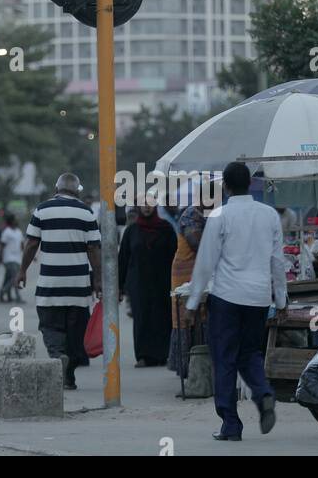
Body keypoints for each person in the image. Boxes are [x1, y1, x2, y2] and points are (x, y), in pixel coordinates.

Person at [183, 162, 287, 442]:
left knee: (225, 359)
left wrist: (192, 303)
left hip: (226, 297)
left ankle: (231, 423)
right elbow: (278, 261)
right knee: (250, 353)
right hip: (258, 297)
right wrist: (282, 298)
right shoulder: (269, 216)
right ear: (251, 183)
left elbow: (206, 262)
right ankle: (263, 393)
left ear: (226, 187)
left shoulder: (219, 216)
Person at [18, 174, 101, 391]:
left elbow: (31, 243)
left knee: (50, 325)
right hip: (78, 286)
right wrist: (99, 280)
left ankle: (57, 356)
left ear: (57, 189)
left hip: (50, 284)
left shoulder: (42, 210)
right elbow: (94, 248)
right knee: (76, 333)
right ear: (77, 190)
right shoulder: (86, 212)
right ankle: (69, 376)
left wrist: (22, 271)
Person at [119, 198, 178, 367]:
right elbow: (123, 259)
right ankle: (143, 355)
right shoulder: (131, 231)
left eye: (150, 203)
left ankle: (162, 355)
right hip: (138, 283)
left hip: (162, 282)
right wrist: (119, 286)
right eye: (143, 204)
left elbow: (174, 257)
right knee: (141, 317)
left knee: (162, 317)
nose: (146, 207)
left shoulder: (166, 229)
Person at [167, 185, 212, 377]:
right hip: (185, 271)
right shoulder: (190, 216)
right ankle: (185, 368)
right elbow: (197, 243)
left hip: (201, 270)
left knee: (201, 317)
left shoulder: (209, 215)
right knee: (185, 317)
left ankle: (200, 367)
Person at [0, 214, 24, 303]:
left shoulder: (19, 232)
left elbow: (22, 246)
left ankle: (7, 296)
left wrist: (31, 256)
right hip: (9, 258)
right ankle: (5, 293)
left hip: (17, 258)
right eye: (15, 219)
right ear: (11, 221)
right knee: (15, 278)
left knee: (8, 278)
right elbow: (2, 246)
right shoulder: (6, 232)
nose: (17, 221)